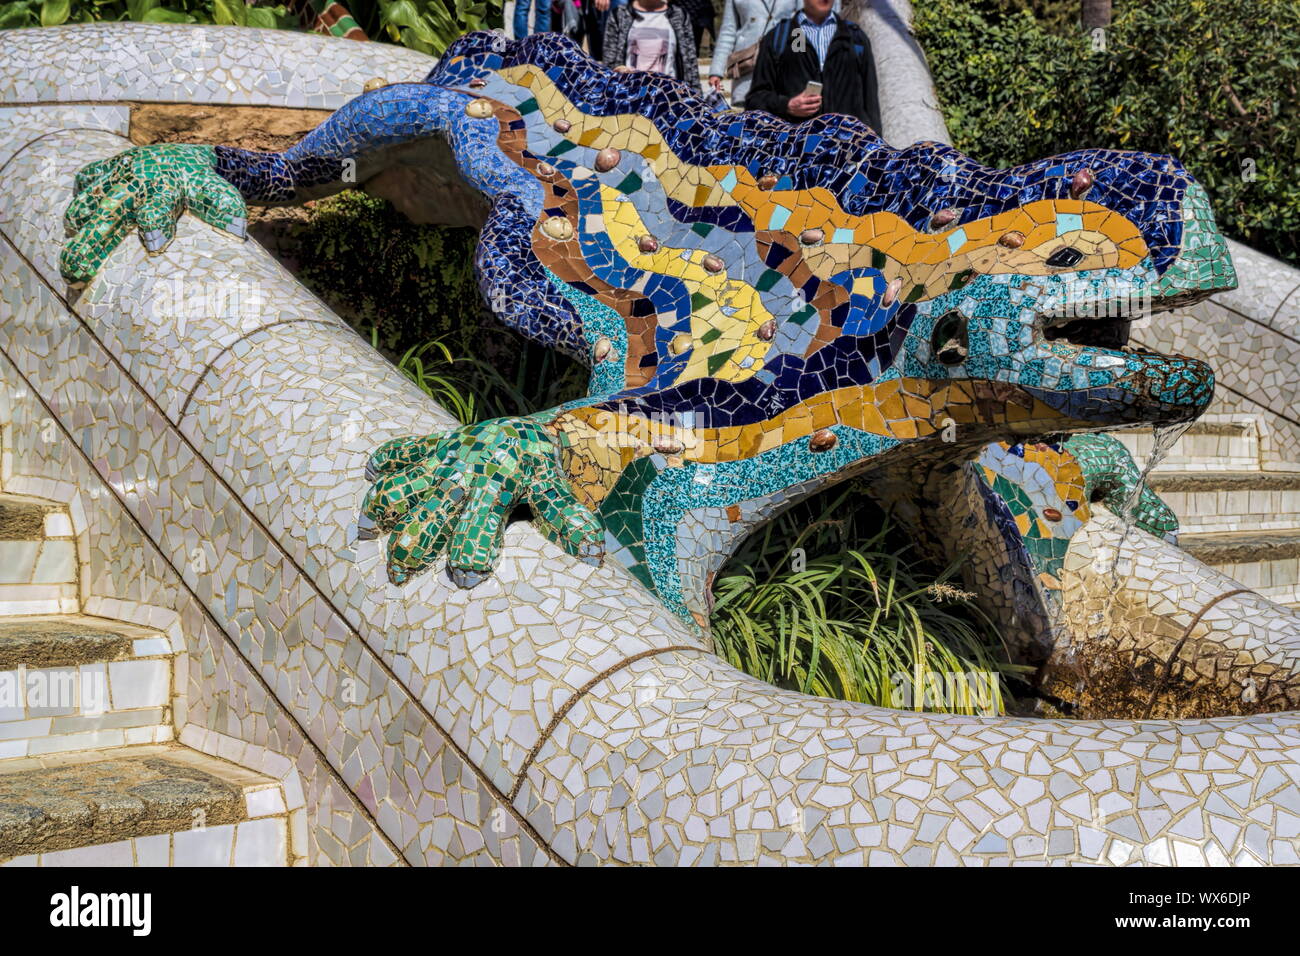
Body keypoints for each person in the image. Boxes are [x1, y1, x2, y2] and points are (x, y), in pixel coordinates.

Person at [744, 0, 881, 129]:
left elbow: (871, 104)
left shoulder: (856, 38)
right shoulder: (779, 38)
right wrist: (787, 106)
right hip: (798, 149)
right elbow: (755, 100)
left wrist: (876, 149)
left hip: (848, 148)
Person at [708, 0, 798, 107]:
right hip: (746, 69)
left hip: (783, 67)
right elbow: (728, 31)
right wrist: (716, 71)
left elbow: (803, 26)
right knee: (747, 119)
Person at [603, 0, 702, 92]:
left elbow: (690, 64)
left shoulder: (679, 15)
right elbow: (609, 62)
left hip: (669, 96)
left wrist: (697, 97)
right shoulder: (619, 15)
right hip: (630, 96)